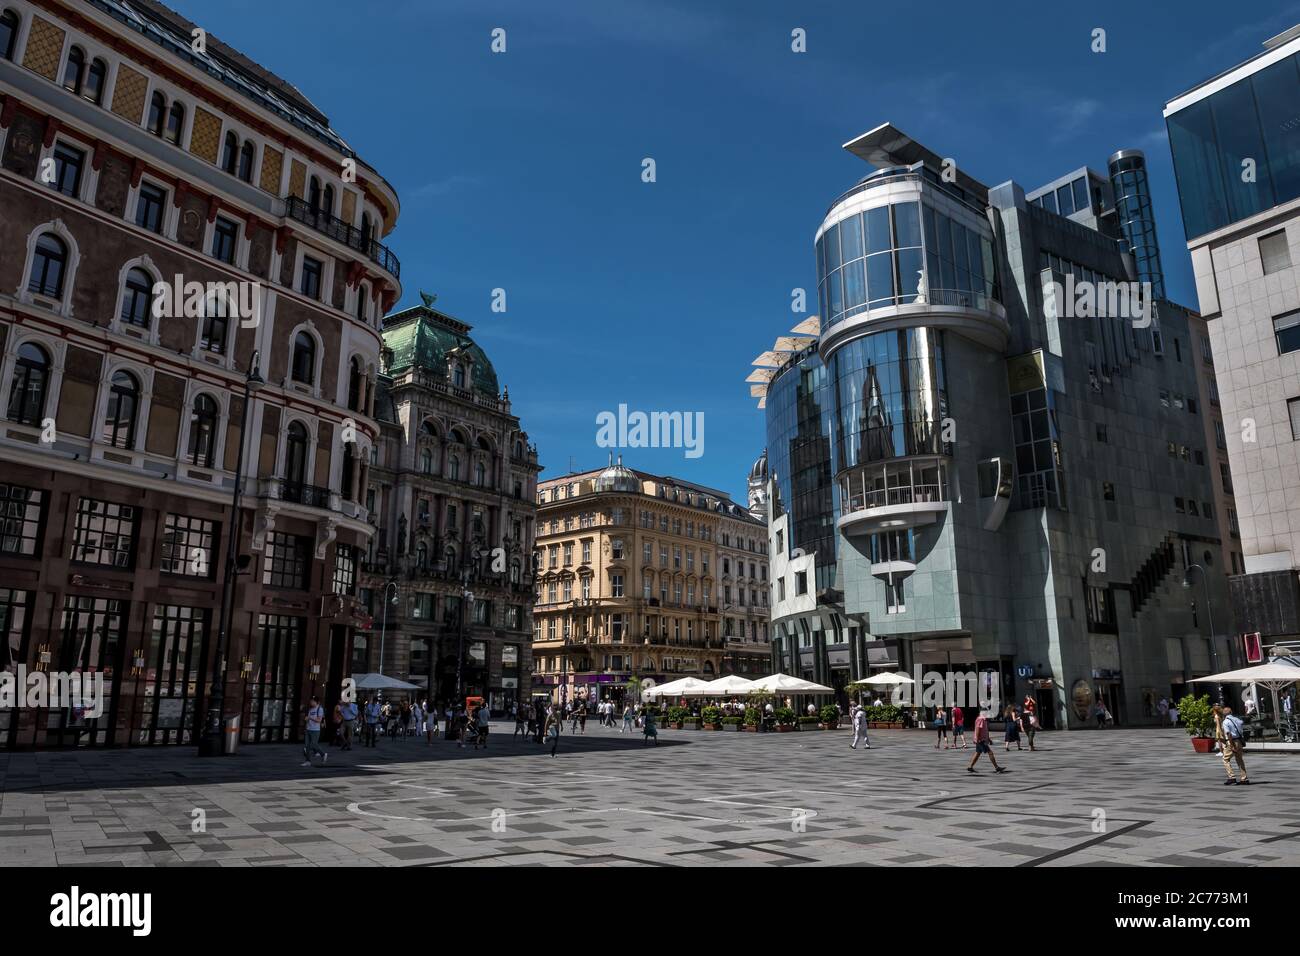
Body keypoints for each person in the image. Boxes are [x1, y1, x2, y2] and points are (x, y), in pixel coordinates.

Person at [1217, 705, 1249, 785]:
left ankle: (1231, 777)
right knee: (1239, 759)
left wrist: (1231, 746)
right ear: (1231, 712)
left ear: (1224, 714)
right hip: (1239, 740)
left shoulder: (1226, 722)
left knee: (1225, 759)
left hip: (1232, 741)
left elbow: (1229, 734)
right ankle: (1244, 778)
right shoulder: (1237, 719)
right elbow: (1242, 724)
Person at [967, 709, 1006, 774]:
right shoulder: (981, 719)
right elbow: (977, 729)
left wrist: (989, 739)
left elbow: (984, 731)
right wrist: (977, 739)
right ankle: (997, 767)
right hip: (981, 740)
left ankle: (970, 767)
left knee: (977, 753)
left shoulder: (983, 719)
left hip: (981, 739)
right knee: (990, 752)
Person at [301, 696, 328, 767]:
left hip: (315, 730)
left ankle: (323, 754)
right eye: (311, 701)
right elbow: (308, 719)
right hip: (308, 729)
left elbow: (319, 720)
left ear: (317, 702)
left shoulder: (320, 709)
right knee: (307, 746)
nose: (311, 702)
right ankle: (307, 761)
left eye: (312, 701)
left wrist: (310, 718)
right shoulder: (310, 709)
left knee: (313, 744)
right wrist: (306, 725)